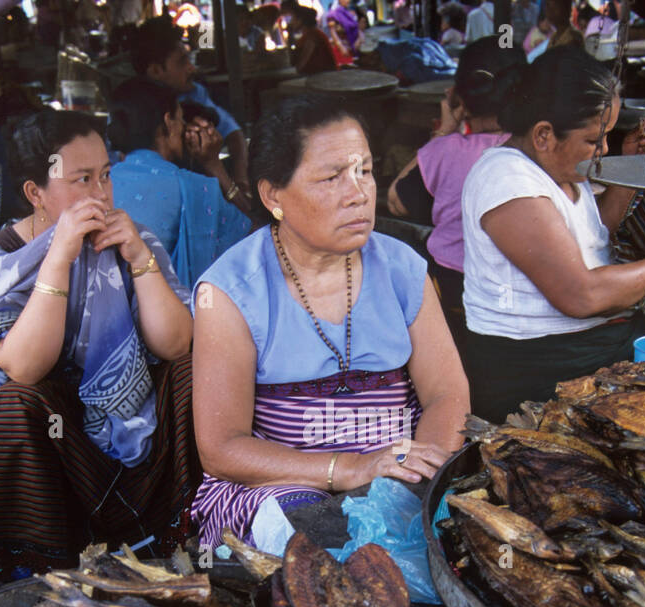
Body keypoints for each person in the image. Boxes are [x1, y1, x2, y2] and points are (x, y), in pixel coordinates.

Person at [189, 96, 469, 544]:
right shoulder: (228, 293)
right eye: (332, 177)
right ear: (273, 195)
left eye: (365, 171)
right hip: (285, 487)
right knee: (313, 547)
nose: (358, 193)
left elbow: (446, 392)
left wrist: (422, 471)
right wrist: (351, 469)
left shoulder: (402, 267)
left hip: (395, 473)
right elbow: (222, 449)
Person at [0, 111, 199, 575]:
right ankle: (43, 569)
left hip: (138, 422)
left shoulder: (130, 237)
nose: (101, 194)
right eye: (82, 179)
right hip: (59, 438)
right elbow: (22, 367)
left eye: (105, 175)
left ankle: (184, 534)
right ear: (35, 193)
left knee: (191, 374)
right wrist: (59, 254)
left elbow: (176, 345)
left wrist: (141, 258)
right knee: (10, 411)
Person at [459, 47, 645, 422]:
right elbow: (581, 294)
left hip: (582, 343)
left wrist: (632, 172)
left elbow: (589, 239)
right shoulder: (505, 179)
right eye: (594, 140)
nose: (603, 151)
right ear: (544, 135)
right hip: (536, 368)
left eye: (609, 137)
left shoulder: (559, 170)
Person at [387, 36, 525, 345]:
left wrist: (444, 131)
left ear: (458, 98)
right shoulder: (535, 150)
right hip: (513, 299)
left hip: (452, 296)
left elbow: (395, 201)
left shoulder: (446, 149)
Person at [109, 78, 256, 290]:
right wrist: (215, 167)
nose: (183, 128)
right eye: (180, 119)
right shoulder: (194, 188)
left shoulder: (102, 182)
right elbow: (261, 235)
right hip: (172, 318)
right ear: (168, 121)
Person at [131, 16, 251, 194]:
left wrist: (241, 179)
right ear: (155, 71)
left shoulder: (195, 93)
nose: (191, 68)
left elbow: (233, 131)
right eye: (181, 62)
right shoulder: (130, 109)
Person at [290, 4, 340, 73]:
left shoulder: (312, 36)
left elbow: (301, 64)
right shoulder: (310, 34)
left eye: (293, 19)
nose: (291, 22)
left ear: (300, 20)